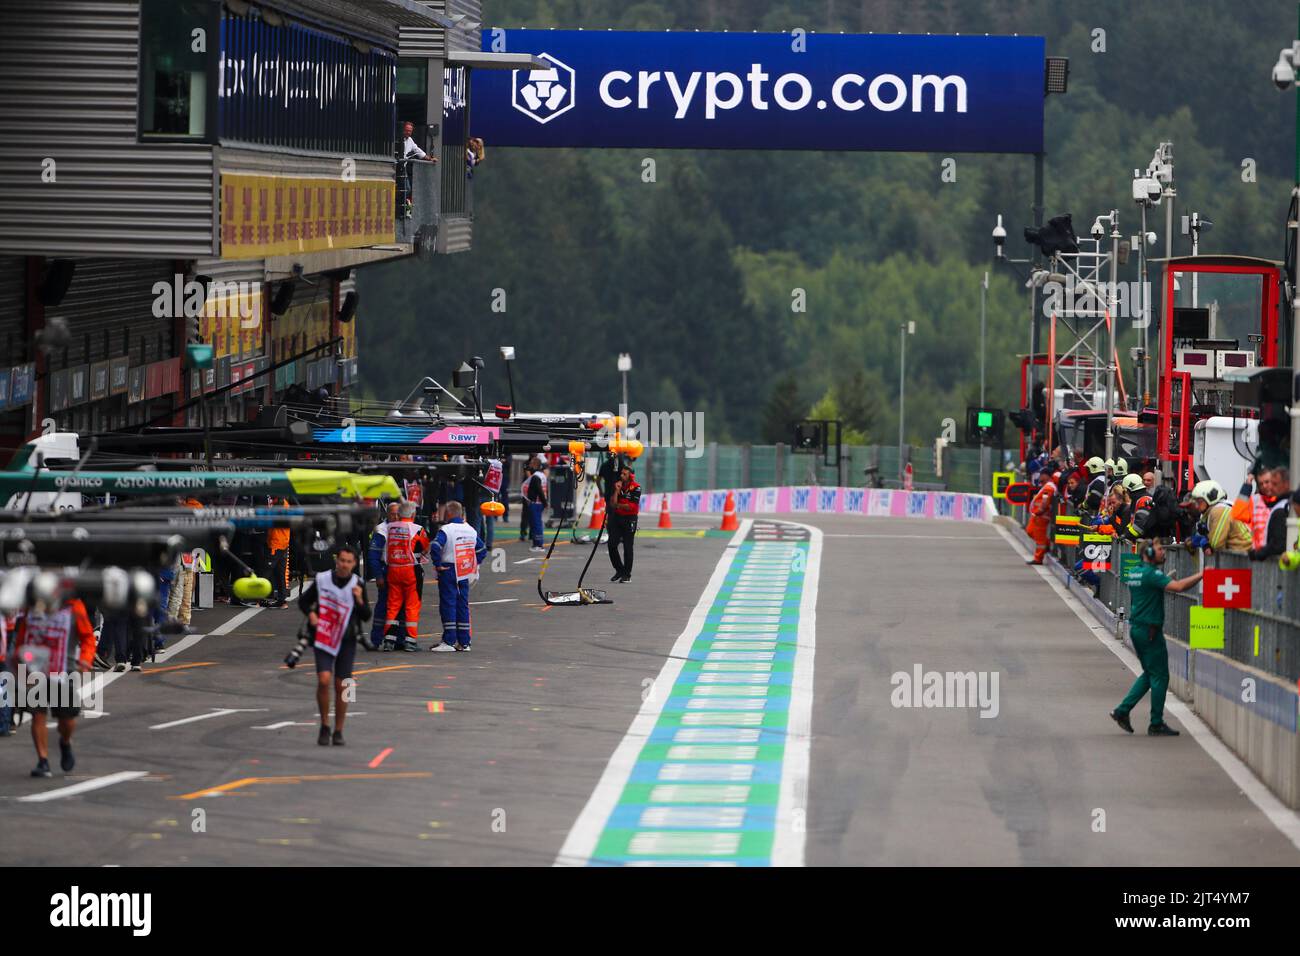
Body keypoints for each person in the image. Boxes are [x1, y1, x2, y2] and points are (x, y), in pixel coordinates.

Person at [1110, 540, 1203, 737]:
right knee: (1160, 676)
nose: (1164, 553)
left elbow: (1149, 590)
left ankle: (1122, 710)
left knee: (1150, 673)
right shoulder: (1152, 574)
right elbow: (1177, 587)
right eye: (1160, 549)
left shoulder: (1136, 571)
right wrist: (1202, 574)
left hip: (1138, 628)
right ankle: (1156, 722)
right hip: (1150, 631)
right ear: (1149, 552)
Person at [9, 598, 96, 777]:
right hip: (34, 670)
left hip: (64, 670)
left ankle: (65, 741)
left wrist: (86, 659)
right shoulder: (32, 605)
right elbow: (22, 637)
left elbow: (87, 637)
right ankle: (43, 761)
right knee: (37, 715)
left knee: (67, 720)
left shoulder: (74, 607)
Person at [298, 546, 370, 746]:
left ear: (354, 564)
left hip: (347, 639)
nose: (344, 565)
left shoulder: (358, 584)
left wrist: (359, 599)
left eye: (349, 561)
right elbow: (304, 602)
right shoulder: (322, 580)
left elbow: (366, 615)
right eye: (342, 560)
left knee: (343, 685)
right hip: (325, 635)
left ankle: (339, 729)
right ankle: (324, 724)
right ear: (336, 561)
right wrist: (312, 615)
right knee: (324, 679)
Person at [429, 500, 488, 653]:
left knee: (448, 604)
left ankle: (449, 640)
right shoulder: (471, 530)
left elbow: (435, 546)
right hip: (465, 570)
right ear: (461, 513)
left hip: (449, 569)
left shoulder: (446, 529)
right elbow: (482, 550)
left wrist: (437, 564)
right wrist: (474, 563)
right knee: (462, 605)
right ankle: (464, 642)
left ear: (448, 513)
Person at [383, 501, 430, 651]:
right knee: (412, 605)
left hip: (393, 569)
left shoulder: (390, 527)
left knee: (393, 605)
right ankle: (410, 641)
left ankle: (389, 641)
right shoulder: (418, 529)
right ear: (413, 514)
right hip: (410, 570)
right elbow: (426, 546)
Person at [367, 500, 401, 650]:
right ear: (387, 514)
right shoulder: (381, 530)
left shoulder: (405, 527)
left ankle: (399, 640)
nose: (395, 517)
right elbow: (373, 556)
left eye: (397, 514)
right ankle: (376, 639)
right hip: (387, 570)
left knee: (401, 607)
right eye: (392, 514)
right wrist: (378, 576)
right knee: (383, 606)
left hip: (402, 571)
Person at [1189, 480, 1251, 554]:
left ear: (1211, 497)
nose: (1196, 506)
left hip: (1247, 556)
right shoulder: (1216, 510)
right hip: (1243, 555)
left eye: (1199, 501)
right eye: (1195, 502)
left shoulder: (1219, 511)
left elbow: (1216, 543)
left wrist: (1203, 542)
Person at [607, 464, 642, 582]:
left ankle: (627, 575)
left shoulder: (636, 487)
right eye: (621, 473)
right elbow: (612, 504)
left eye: (624, 474)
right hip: (617, 518)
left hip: (630, 519)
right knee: (612, 544)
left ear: (631, 476)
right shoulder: (618, 485)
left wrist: (618, 505)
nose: (621, 476)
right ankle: (619, 570)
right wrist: (616, 491)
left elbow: (631, 507)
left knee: (628, 547)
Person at [1249, 466, 1291, 561]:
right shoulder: (1282, 504)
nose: (1269, 487)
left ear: (1286, 484)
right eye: (1261, 484)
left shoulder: (1282, 508)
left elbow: (1278, 544)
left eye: (1274, 484)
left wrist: (1258, 554)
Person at [1025, 469, 1058, 565]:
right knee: (1030, 531)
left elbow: (1045, 501)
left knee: (1039, 538)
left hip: (1041, 516)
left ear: (1046, 476)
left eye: (1041, 475)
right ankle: (1046, 545)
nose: (1040, 477)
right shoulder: (1046, 486)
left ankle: (1038, 558)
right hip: (1037, 515)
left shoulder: (1049, 487)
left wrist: (1040, 511)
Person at [265, 497, 292, 608]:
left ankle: (257, 598)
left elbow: (272, 520)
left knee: (266, 570)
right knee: (279, 573)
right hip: (282, 542)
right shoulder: (283, 503)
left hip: (276, 543)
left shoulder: (280, 504)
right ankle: (282, 600)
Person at [525, 458, 548, 552]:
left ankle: (538, 544)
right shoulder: (542, 475)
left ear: (535, 464)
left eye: (531, 464)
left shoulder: (535, 476)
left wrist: (545, 502)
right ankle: (538, 544)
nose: (529, 465)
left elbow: (539, 490)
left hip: (536, 503)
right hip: (539, 503)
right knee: (537, 523)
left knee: (536, 524)